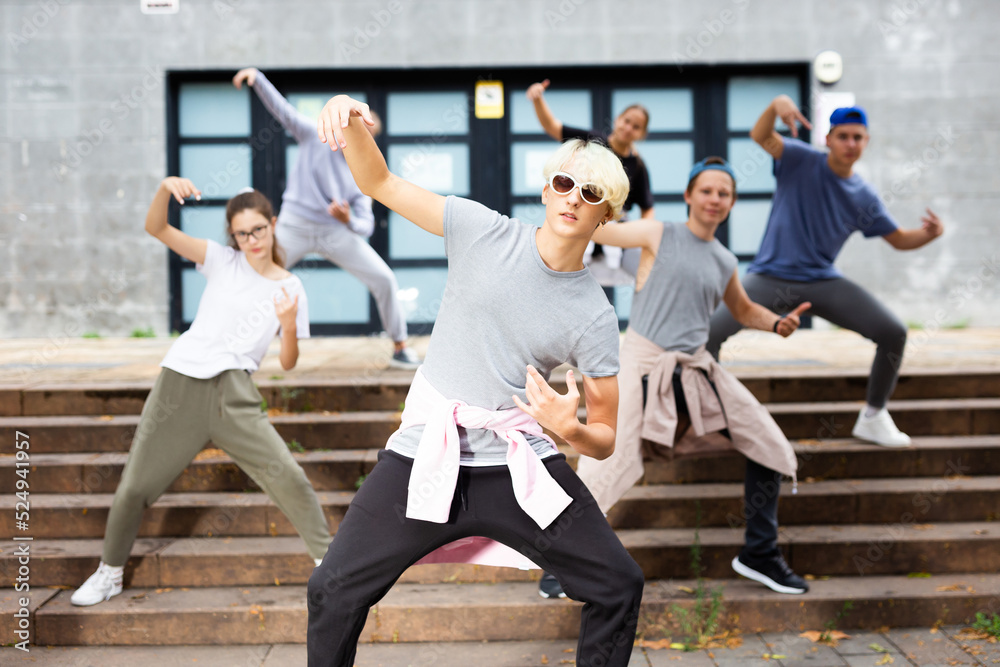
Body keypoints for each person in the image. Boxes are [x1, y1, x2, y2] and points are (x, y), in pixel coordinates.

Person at [307, 95, 644, 667]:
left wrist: (570, 430)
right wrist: (349, 117)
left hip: (518, 464)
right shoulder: (480, 231)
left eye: (591, 194)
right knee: (331, 589)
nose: (573, 198)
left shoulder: (594, 315)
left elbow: (607, 436)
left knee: (618, 584)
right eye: (565, 183)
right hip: (424, 453)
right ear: (546, 190)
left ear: (605, 216)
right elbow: (379, 182)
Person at [540, 157, 810, 600]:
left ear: (731, 202)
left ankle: (759, 554)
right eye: (706, 190)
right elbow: (598, 229)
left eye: (724, 193)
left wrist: (777, 323)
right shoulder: (656, 233)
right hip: (641, 363)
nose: (714, 199)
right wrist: (582, 190)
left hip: (696, 368)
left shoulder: (724, 260)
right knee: (604, 464)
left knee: (769, 443)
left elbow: (743, 309)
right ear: (688, 195)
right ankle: (562, 564)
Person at [70, 178, 332, 607]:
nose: (252, 240)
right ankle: (109, 574)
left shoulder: (290, 287)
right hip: (180, 384)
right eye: (242, 234)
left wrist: (287, 325)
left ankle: (330, 569)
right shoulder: (221, 260)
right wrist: (163, 190)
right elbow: (157, 228)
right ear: (233, 236)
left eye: (258, 230)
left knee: (290, 478)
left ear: (273, 224)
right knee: (135, 486)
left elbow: (288, 362)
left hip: (235, 394)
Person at [708, 99, 944, 447]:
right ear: (829, 139)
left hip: (822, 281)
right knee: (709, 333)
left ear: (866, 142)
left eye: (858, 138)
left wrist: (930, 235)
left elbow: (898, 239)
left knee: (893, 331)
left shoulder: (863, 195)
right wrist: (776, 105)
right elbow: (760, 135)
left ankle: (874, 417)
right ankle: (712, 415)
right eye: (843, 136)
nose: (850, 144)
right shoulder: (799, 159)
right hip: (770, 277)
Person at [233, 68, 420, 369]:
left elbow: (366, 225)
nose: (360, 141)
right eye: (358, 132)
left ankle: (400, 346)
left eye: (368, 139)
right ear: (346, 126)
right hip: (295, 225)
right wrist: (257, 78)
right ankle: (235, 344)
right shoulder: (313, 134)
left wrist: (347, 220)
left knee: (384, 278)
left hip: (335, 232)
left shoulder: (364, 170)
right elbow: (282, 110)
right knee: (252, 275)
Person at [526, 78, 655, 279]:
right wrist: (537, 100)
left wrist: (641, 236)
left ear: (642, 134)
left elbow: (648, 207)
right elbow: (553, 126)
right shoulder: (591, 142)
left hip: (610, 235)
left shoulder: (638, 166)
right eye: (627, 121)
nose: (629, 128)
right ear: (617, 119)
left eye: (636, 126)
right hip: (583, 226)